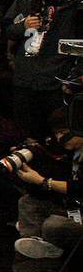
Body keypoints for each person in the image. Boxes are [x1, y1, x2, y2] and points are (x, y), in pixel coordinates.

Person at [4, 0, 81, 139]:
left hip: (60, 85)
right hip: (25, 83)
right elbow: (8, 31)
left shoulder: (79, 1)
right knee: (25, 140)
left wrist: (72, 80)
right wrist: (23, 26)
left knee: (60, 143)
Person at [13, 106, 83, 260]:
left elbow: (77, 188)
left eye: (63, 133)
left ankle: (50, 245)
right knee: (27, 202)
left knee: (52, 225)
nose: (59, 138)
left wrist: (43, 181)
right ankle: (35, 239)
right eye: (57, 133)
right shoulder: (72, 151)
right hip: (71, 206)